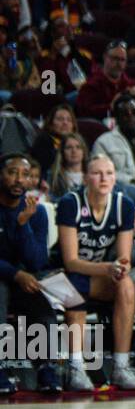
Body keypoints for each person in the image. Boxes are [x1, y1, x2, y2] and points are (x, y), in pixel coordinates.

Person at [55, 154, 135, 390]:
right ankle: (76, 367)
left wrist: (119, 268)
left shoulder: (123, 205)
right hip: (62, 275)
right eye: (97, 173)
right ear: (85, 178)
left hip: (98, 275)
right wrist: (107, 268)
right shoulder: (70, 203)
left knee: (126, 284)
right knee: (74, 288)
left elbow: (125, 259)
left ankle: (121, 367)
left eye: (109, 173)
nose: (104, 178)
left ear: (116, 178)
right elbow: (71, 261)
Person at [0, 154, 60, 394]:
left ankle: (47, 368)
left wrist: (23, 225)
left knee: (42, 305)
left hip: (22, 278)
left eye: (25, 175)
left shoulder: (37, 211)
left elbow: (37, 261)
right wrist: (15, 274)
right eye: (12, 172)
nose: (19, 180)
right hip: (8, 278)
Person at [75, 40, 135, 119]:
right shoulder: (92, 85)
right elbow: (83, 113)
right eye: (115, 58)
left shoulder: (132, 84)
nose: (118, 63)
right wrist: (111, 107)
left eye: (122, 60)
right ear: (105, 57)